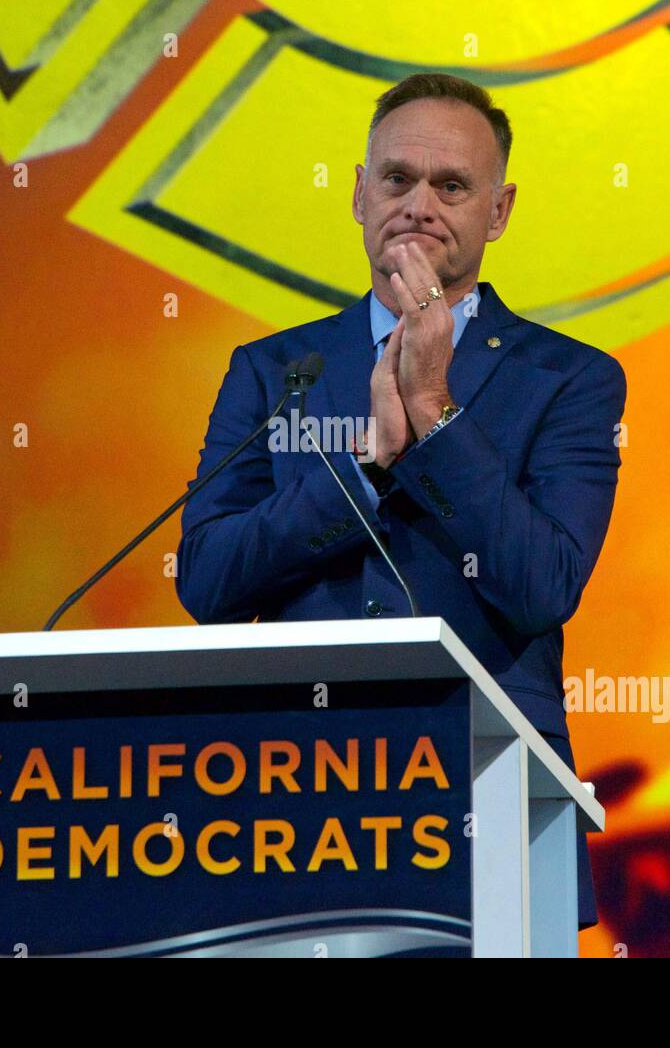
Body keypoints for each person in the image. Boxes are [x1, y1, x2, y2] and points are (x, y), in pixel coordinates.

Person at [176, 72, 626, 931]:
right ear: (357, 192)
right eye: (397, 179)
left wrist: (433, 411)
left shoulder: (568, 380)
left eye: (452, 186)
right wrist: (364, 471)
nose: (420, 204)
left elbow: (541, 586)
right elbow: (206, 576)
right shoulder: (276, 371)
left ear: (498, 212)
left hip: (487, 800)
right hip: (290, 808)